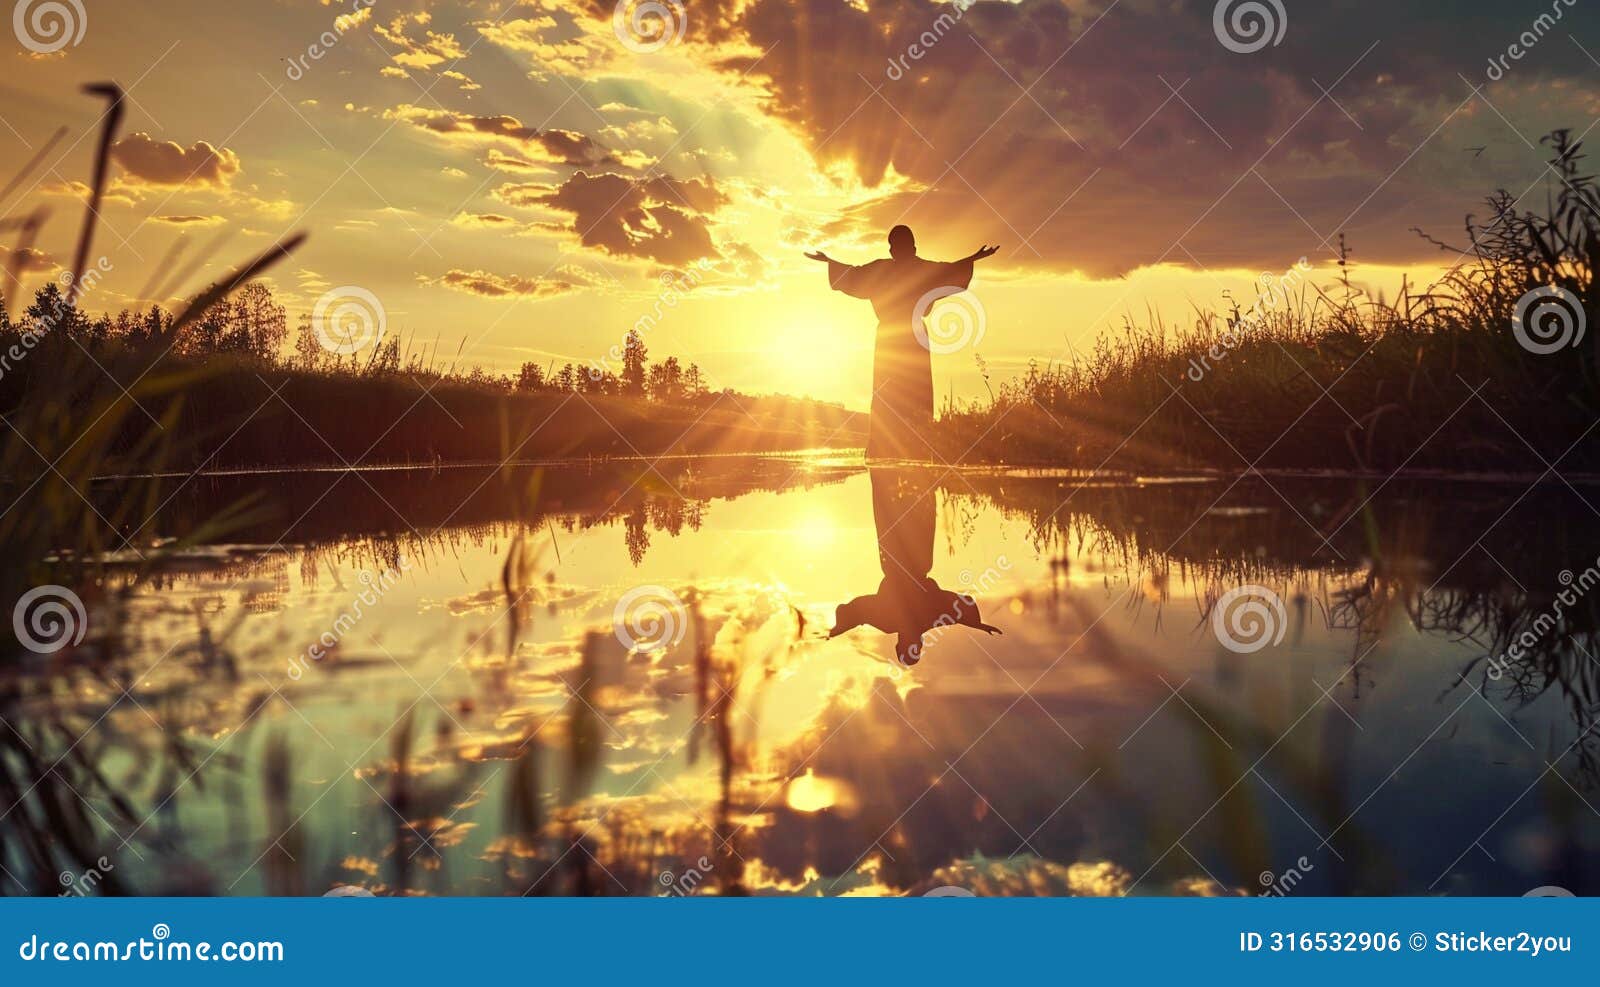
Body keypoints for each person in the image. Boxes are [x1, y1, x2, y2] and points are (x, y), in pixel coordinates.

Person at [806, 227, 998, 460]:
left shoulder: (881, 270)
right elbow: (949, 271)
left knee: (892, 394)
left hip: (890, 339)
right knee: (915, 391)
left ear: (892, 249)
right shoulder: (921, 269)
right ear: (912, 247)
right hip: (913, 337)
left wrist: (829, 261)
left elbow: (852, 274)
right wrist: (971, 259)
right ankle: (918, 447)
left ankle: (888, 448)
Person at [828, 468, 1002, 668]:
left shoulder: (898, 619)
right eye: (916, 647)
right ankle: (908, 470)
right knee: (900, 508)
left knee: (897, 508)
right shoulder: (924, 618)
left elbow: (856, 613)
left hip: (899, 559)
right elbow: (962, 608)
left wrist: (840, 627)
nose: (914, 642)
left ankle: (901, 467)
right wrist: (976, 624)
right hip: (907, 558)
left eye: (910, 645)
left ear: (904, 642)